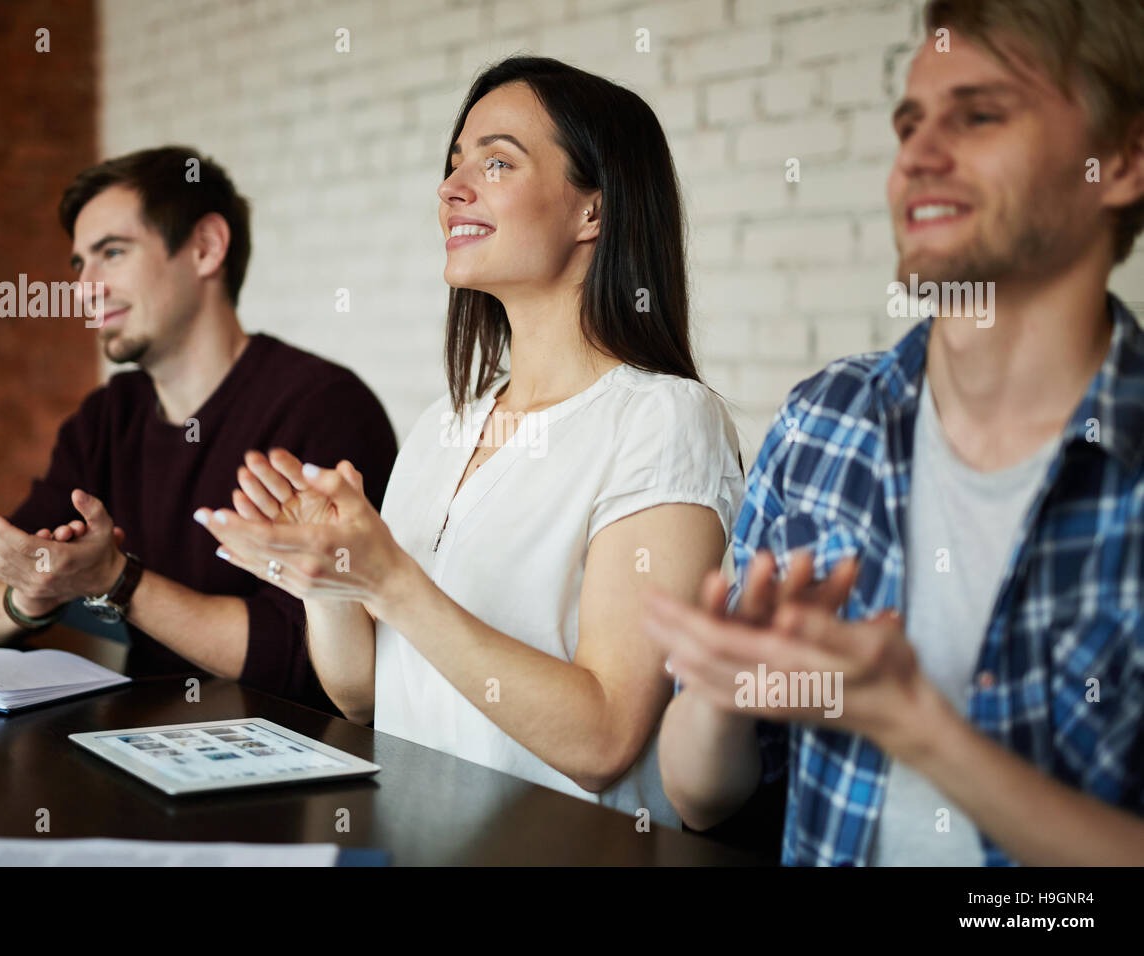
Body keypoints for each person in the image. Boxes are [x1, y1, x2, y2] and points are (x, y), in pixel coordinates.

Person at [643, 0, 1144, 865]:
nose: (918, 154)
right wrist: (728, 689)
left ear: (1124, 162)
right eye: (909, 124)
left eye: (979, 116)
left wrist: (911, 721)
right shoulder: (822, 420)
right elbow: (699, 792)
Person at [197, 57, 744, 827]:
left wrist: (394, 584)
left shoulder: (665, 421)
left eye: (495, 162)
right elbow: (362, 695)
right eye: (453, 164)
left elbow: (606, 737)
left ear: (594, 211)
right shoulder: (442, 425)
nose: (451, 189)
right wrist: (329, 577)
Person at [0, 146, 398, 715]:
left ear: (206, 247)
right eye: (78, 265)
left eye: (111, 253)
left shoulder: (326, 407)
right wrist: (33, 591)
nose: (84, 288)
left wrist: (116, 581)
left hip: (298, 773)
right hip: (138, 752)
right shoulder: (107, 418)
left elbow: (309, 661)